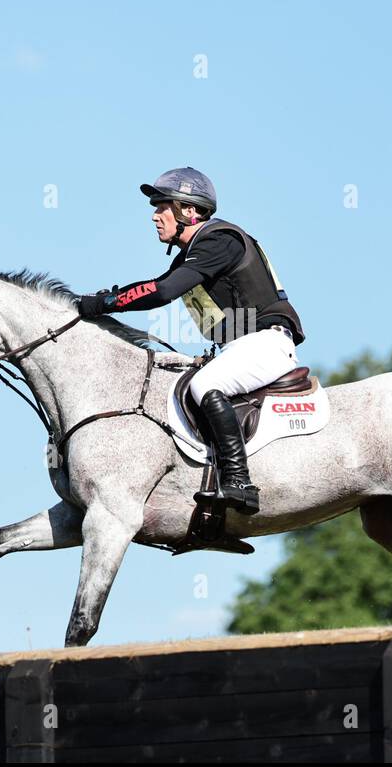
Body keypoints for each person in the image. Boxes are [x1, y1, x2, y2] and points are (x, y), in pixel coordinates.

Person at [76, 167, 306, 516]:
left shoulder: (219, 241)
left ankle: (239, 483)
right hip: (243, 346)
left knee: (204, 385)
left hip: (266, 343)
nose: (154, 215)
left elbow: (163, 292)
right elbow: (155, 285)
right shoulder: (194, 252)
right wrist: (107, 299)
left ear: (189, 211)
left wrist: (105, 303)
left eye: (161, 206)